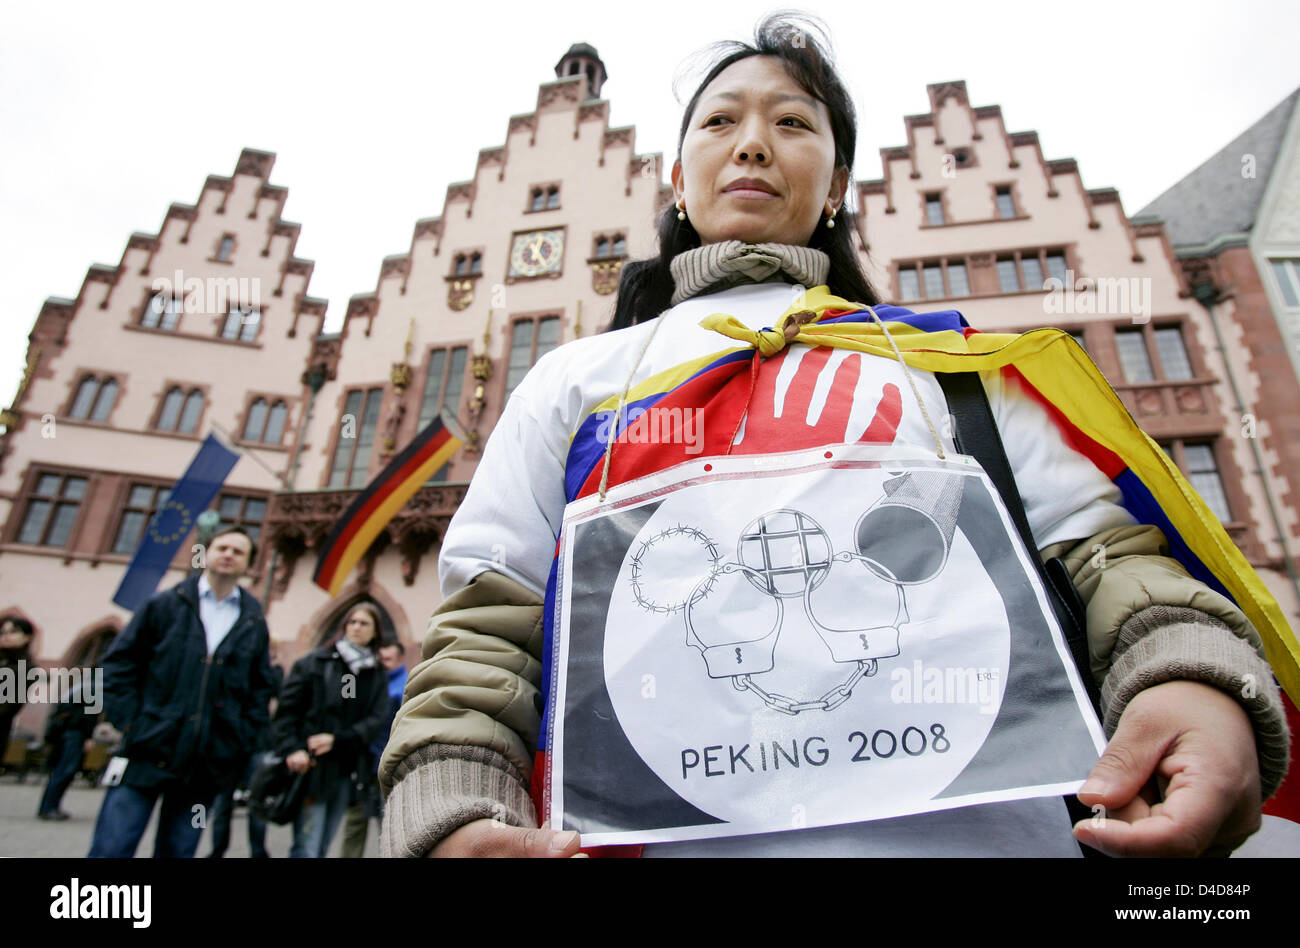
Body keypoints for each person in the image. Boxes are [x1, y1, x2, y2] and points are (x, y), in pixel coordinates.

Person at [379, 13, 1292, 858]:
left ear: (838, 185)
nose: (751, 144)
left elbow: (1104, 558)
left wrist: (1189, 677)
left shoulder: (949, 363)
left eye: (792, 123)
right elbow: (489, 626)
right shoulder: (575, 381)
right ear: (677, 178)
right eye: (719, 122)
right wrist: (455, 799)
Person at [88, 525, 276, 858]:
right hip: (146, 750)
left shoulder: (253, 621)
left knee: (180, 850)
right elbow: (118, 665)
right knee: (112, 848)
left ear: (249, 565)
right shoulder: (164, 605)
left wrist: (238, 739)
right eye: (223, 548)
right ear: (206, 554)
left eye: (238, 552)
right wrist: (131, 722)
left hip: (205, 765)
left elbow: (259, 688)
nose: (229, 555)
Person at [273, 603, 389, 858]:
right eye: (352, 622)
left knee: (324, 845)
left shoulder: (376, 672)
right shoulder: (315, 662)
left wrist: (338, 740)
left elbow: (377, 718)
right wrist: (292, 748)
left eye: (364, 623)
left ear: (375, 632)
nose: (357, 628)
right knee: (307, 847)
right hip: (313, 767)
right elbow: (287, 710)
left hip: (347, 770)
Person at [206, 643, 284, 857]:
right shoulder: (232, 667)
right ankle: (217, 849)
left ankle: (258, 851)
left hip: (258, 742)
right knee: (223, 802)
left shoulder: (272, 672)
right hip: (229, 742)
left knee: (256, 800)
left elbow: (284, 700)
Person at [340, 640, 408, 857]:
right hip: (362, 764)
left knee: (388, 827)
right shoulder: (361, 680)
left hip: (387, 766)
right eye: (380, 659)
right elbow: (346, 704)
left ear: (399, 658)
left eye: (387, 659)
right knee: (354, 824)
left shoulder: (405, 686)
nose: (382, 663)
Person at [36, 667, 100, 820]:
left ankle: (50, 806)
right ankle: (49, 808)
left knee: (62, 771)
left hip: (66, 733)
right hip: (74, 734)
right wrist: (88, 737)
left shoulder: (80, 687)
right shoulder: (93, 688)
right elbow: (87, 716)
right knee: (65, 771)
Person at [0, 616, 35, 757]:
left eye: (13, 631)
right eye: (2, 632)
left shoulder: (24, 669)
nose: (6, 636)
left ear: (27, 637)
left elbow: (8, 707)